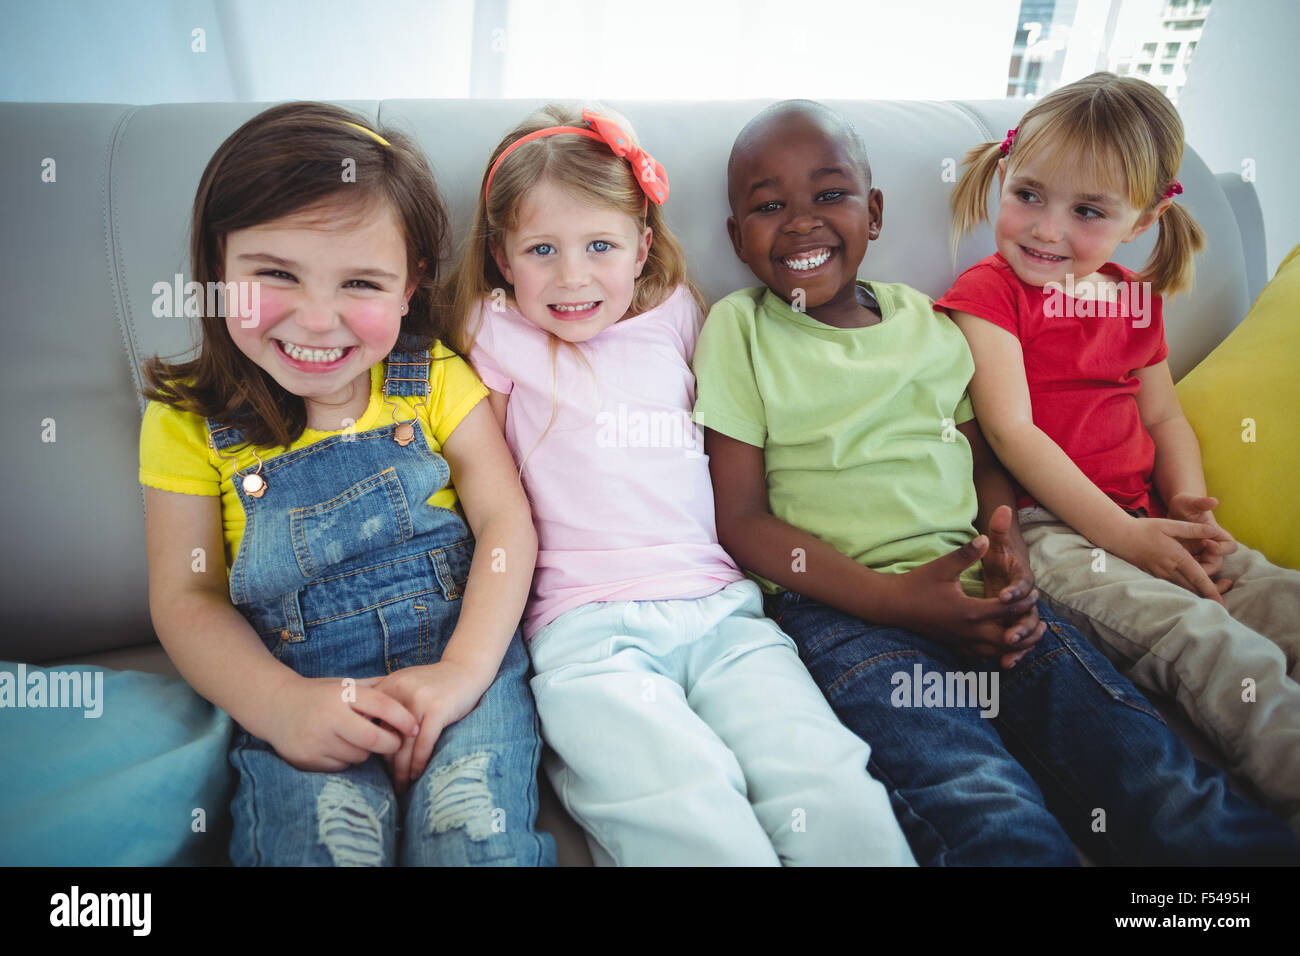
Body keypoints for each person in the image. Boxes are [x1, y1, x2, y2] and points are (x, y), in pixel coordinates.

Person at [694, 98, 1300, 864]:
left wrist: (1002, 545)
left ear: (874, 213)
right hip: (849, 613)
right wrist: (898, 597)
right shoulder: (740, 329)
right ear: (733, 236)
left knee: (1147, 769)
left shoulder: (926, 322)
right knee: (981, 799)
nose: (802, 221)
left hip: (985, 585)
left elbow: (982, 458)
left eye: (830, 194)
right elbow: (741, 518)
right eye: (769, 206)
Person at [445, 103, 914, 866]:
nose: (572, 276)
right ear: (502, 258)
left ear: (642, 248)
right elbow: (481, 490)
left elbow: (745, 431)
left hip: (724, 612)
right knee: (685, 805)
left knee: (829, 785)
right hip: (586, 628)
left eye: (600, 244)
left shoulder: (678, 315)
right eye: (540, 249)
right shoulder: (493, 329)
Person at [138, 102, 555, 866]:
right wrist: (279, 706)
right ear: (215, 269)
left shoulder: (431, 379)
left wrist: (463, 674)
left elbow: (505, 523)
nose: (318, 318)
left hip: (461, 671)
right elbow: (185, 595)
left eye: (361, 281)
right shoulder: (186, 423)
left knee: (474, 846)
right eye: (274, 274)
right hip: (295, 685)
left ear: (410, 285)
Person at [939, 72, 1300, 834]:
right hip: (1057, 534)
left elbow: (1163, 417)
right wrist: (1126, 537)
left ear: (1144, 219)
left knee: (1278, 597)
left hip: (1149, 517)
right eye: (1030, 195)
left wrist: (1191, 507)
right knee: (1207, 638)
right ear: (1004, 175)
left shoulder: (1134, 299)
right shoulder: (988, 294)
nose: (1045, 229)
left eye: (1088, 212)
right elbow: (1013, 432)